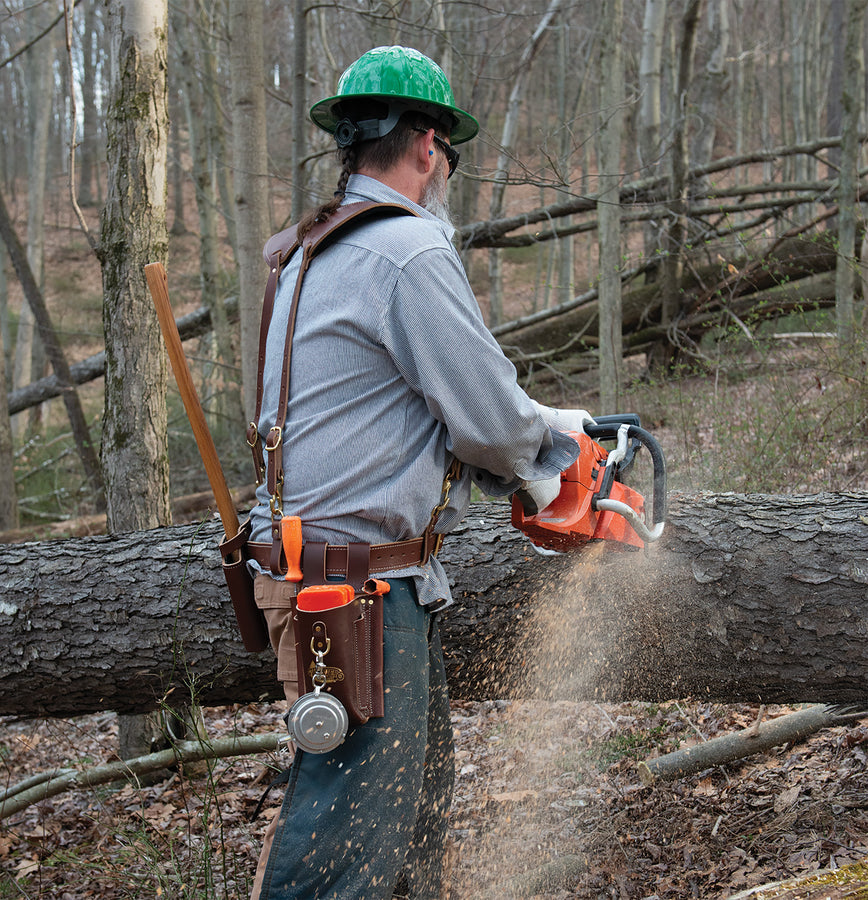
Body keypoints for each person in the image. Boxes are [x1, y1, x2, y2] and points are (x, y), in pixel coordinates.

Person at [247, 45, 592, 900]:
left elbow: (408, 412)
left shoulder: (307, 252)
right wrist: (548, 465)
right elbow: (484, 417)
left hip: (338, 572)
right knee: (352, 842)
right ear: (429, 144)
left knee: (406, 813)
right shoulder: (405, 250)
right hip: (359, 585)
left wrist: (550, 429)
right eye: (444, 150)